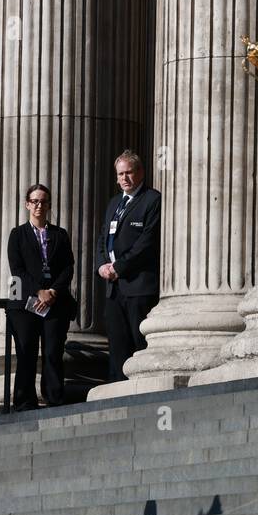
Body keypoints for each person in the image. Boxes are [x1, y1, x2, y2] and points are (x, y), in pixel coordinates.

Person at [6, 184, 77, 409]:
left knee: (52, 351)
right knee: (26, 352)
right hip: (26, 303)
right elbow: (17, 270)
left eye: (43, 201)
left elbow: (68, 267)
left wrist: (53, 291)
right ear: (27, 204)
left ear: (49, 205)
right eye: (34, 201)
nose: (39, 205)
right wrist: (39, 291)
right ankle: (24, 401)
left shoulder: (59, 234)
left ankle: (54, 398)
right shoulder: (17, 234)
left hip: (55, 302)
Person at [97, 150, 161, 382]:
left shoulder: (152, 200)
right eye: (120, 174)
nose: (124, 178)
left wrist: (119, 267)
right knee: (117, 341)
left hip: (138, 286)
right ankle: (116, 387)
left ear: (140, 172)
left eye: (129, 173)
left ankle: (141, 386)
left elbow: (147, 242)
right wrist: (102, 265)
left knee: (138, 339)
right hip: (114, 288)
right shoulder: (114, 203)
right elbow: (103, 238)